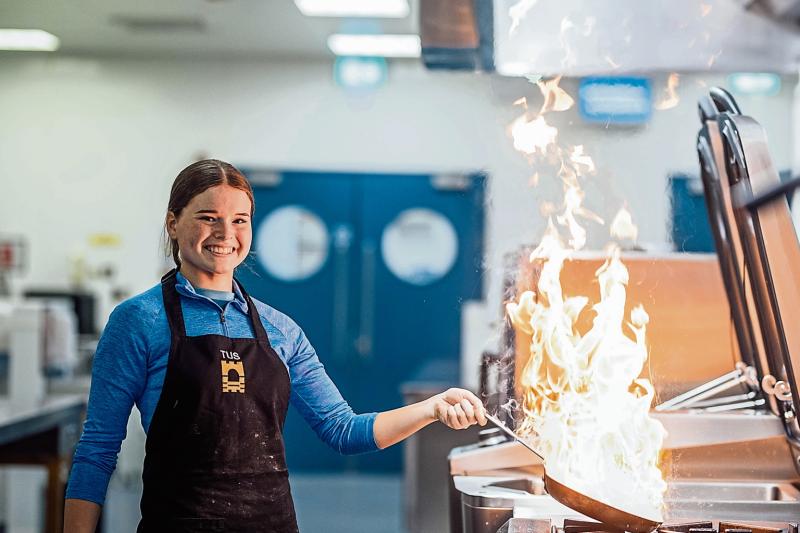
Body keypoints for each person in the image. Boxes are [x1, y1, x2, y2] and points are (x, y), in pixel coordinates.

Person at [63, 159, 487, 532]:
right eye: (208, 217)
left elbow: (343, 430)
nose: (225, 233)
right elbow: (97, 450)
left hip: (271, 522)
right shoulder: (139, 321)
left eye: (240, 220)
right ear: (174, 223)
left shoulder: (279, 329)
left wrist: (432, 408)